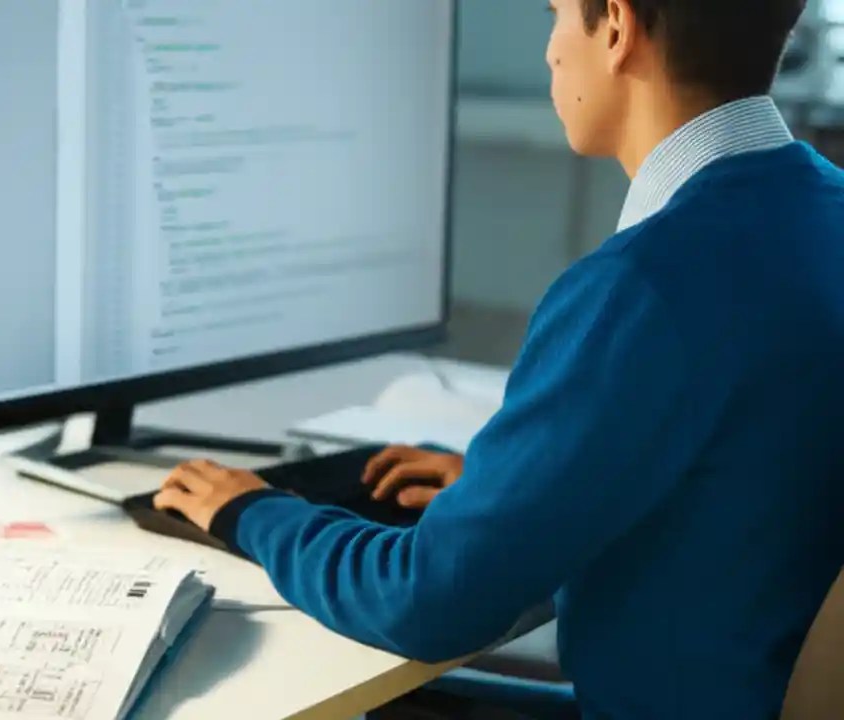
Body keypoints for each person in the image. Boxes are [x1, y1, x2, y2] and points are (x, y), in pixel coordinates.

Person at [152, 0, 844, 717]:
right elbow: (742, 481)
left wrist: (252, 511)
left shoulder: (646, 287)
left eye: (555, 13)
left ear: (615, 26)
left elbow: (426, 603)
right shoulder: (826, 211)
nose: (550, 50)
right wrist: (512, 490)